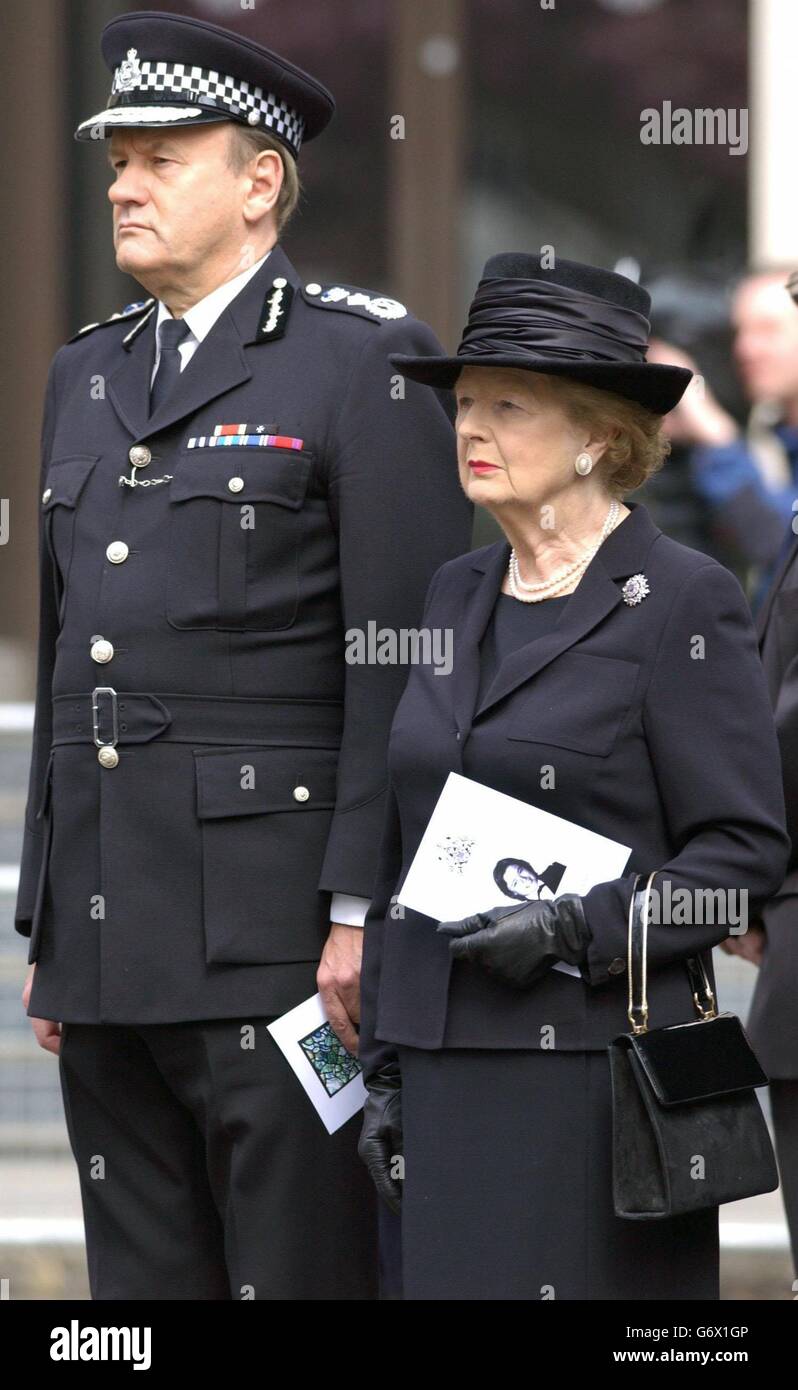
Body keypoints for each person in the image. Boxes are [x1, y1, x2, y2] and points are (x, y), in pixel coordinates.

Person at [14, 10, 471, 1300]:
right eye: (119, 157)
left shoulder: (359, 355)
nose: (122, 182)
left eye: (162, 156)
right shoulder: (84, 373)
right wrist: (52, 918)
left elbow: (402, 661)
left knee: (299, 1270)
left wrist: (359, 910)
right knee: (139, 1298)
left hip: (277, 938)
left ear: (260, 179)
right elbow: (67, 656)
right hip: (112, 938)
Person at [357, 254, 790, 1301]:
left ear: (599, 433)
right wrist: (386, 1064)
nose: (471, 427)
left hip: (600, 1089)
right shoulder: (454, 593)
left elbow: (738, 861)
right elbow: (413, 841)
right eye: (464, 404)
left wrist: (572, 929)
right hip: (444, 1079)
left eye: (508, 404)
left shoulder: (682, 601)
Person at [649, 269, 798, 610]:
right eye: (739, 332)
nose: (745, 348)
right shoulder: (781, 443)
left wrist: (714, 432)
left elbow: (780, 546)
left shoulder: (734, 445)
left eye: (768, 329)